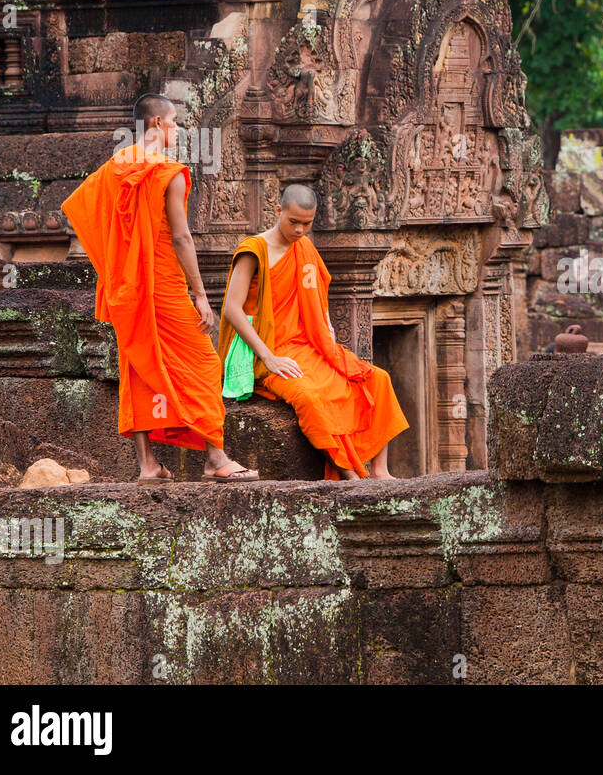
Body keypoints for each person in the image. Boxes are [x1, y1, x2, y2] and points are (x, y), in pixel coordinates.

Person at [60, 93, 259, 483]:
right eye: (174, 122)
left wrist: (116, 269)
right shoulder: (167, 172)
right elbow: (182, 238)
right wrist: (201, 294)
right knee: (204, 362)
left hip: (126, 289)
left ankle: (148, 465)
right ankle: (216, 458)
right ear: (156, 124)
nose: (178, 130)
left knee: (137, 366)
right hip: (163, 285)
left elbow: (84, 215)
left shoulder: (113, 169)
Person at [217, 184, 409, 480]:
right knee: (310, 398)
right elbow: (232, 309)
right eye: (293, 222)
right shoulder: (254, 250)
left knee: (377, 379)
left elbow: (316, 292)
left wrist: (327, 328)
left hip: (308, 344)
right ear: (278, 211)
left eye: (307, 224)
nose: (299, 230)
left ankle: (381, 471)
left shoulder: (304, 247)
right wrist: (268, 358)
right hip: (270, 349)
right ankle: (351, 477)